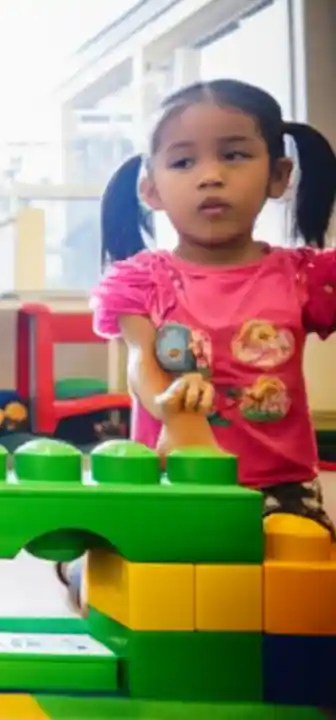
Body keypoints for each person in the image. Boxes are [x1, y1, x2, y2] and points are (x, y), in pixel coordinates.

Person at [59, 79, 336, 610]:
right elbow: (142, 359)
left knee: (293, 584)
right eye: (183, 163)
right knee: (144, 588)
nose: (211, 176)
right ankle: (82, 565)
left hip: (278, 487)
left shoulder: (302, 277)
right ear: (151, 189)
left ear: (279, 175)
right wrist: (164, 405)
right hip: (165, 477)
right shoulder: (143, 279)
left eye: (234, 155)